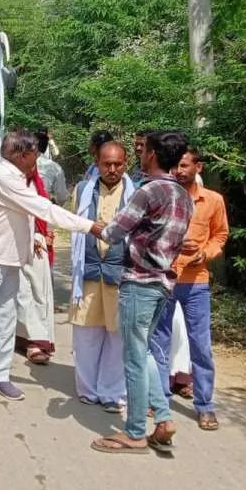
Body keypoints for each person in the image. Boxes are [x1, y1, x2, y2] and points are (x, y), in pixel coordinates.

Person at [0, 130, 102, 404]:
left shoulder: (21, 178)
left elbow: (24, 215)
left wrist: (34, 236)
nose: (38, 157)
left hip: (10, 260)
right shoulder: (2, 177)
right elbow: (43, 208)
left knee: (5, 321)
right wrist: (90, 226)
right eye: (35, 153)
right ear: (22, 155)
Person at [89, 130, 193, 455]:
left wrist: (96, 227)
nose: (140, 154)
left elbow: (114, 230)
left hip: (139, 282)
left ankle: (135, 432)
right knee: (144, 350)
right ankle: (162, 418)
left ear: (152, 155)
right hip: (163, 283)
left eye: (143, 149)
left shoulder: (148, 192)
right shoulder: (183, 196)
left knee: (133, 358)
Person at [149, 148, 228, 432]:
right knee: (159, 342)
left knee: (200, 345)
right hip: (165, 278)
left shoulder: (213, 201)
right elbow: (147, 232)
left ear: (198, 167)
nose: (179, 170)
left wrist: (204, 254)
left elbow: (221, 234)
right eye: (175, 166)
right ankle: (159, 400)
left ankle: (205, 405)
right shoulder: (163, 197)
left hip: (196, 282)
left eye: (184, 165)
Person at [69, 142, 135, 412]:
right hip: (89, 271)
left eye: (117, 164)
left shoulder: (136, 193)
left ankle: (112, 393)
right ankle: (87, 389)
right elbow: (75, 226)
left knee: (117, 335)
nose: (112, 169)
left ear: (126, 163)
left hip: (120, 273)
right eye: (106, 164)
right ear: (96, 163)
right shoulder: (84, 190)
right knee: (86, 332)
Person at [14, 165, 59, 365]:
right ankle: (32, 342)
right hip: (16, 242)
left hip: (38, 243)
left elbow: (44, 209)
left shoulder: (37, 181)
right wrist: (28, 237)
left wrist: (46, 233)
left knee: (40, 294)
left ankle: (41, 338)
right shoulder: (9, 181)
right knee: (22, 294)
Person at [34, 127, 67, 204]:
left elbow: (56, 153)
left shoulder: (49, 143)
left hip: (48, 167)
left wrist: (51, 141)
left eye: (44, 133)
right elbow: (62, 198)